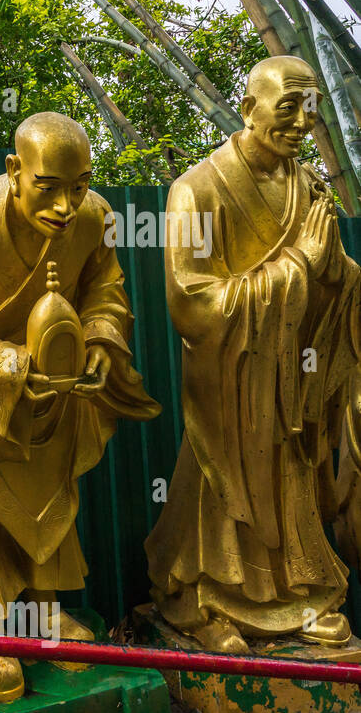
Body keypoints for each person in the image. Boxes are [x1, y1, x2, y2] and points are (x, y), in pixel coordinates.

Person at [0, 111, 160, 701]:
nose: (67, 205)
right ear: (14, 171)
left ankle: (44, 615)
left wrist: (97, 339)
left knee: (51, 501)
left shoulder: (94, 220)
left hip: (55, 386)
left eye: (80, 185)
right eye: (49, 186)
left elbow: (105, 290)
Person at [146, 56, 361, 654]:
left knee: (291, 482)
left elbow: (333, 277)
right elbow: (189, 303)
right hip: (229, 382)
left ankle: (297, 597)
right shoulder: (194, 190)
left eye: (310, 109)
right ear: (248, 109)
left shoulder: (308, 186)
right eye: (286, 106)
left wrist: (341, 277)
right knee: (222, 488)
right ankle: (203, 594)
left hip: (291, 376)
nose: (300, 122)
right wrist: (297, 267)